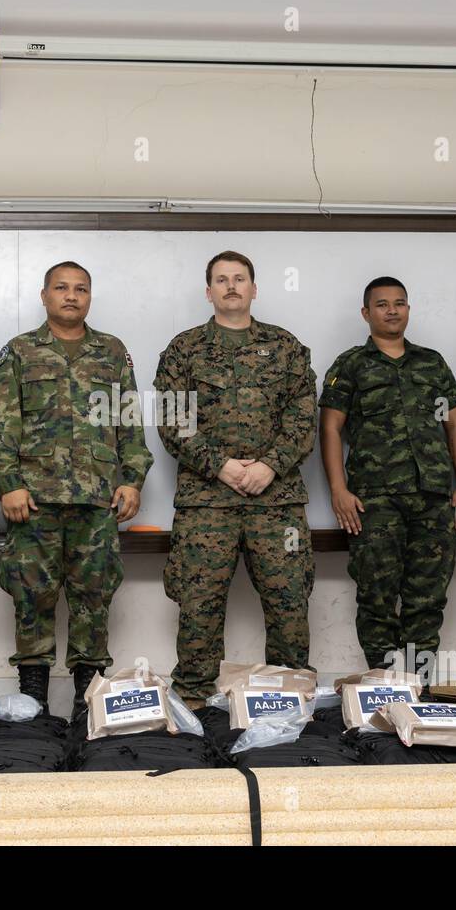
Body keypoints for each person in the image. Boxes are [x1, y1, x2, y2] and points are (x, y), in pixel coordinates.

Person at [0, 261, 153, 717]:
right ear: (44, 296)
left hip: (97, 503)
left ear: (89, 297)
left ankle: (86, 707)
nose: (71, 296)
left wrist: (132, 480)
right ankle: (33, 707)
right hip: (33, 502)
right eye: (61, 288)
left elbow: (130, 426)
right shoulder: (20, 351)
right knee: (30, 599)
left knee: (93, 599)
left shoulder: (112, 352)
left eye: (80, 289)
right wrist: (9, 485)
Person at [155, 250, 317, 707]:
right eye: (221, 279)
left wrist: (270, 465)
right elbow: (173, 420)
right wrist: (221, 465)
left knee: (289, 606)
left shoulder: (286, 348)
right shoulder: (183, 350)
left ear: (254, 288)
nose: (231, 286)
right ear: (208, 291)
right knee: (198, 608)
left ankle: (289, 706)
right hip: (206, 504)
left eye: (239, 278)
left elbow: (303, 418)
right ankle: (195, 704)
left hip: (277, 502)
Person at [319, 276, 456, 690]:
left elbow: (455, 424)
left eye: (400, 303)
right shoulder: (350, 364)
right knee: (377, 597)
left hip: (433, 498)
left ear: (408, 309)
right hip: (374, 500)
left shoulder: (432, 362)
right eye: (382, 304)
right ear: (366, 314)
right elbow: (330, 428)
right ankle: (385, 688)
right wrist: (338, 489)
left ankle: (417, 689)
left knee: (427, 600)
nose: (392, 310)